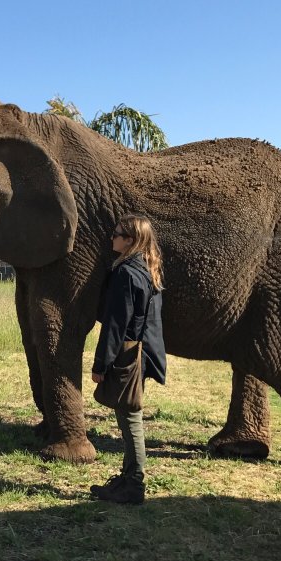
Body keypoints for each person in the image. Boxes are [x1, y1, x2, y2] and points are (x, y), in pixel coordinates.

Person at [89, 213, 167, 505]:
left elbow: (115, 324)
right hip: (142, 350)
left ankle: (133, 484)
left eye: (118, 234)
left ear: (131, 241)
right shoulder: (148, 268)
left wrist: (101, 364)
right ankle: (127, 478)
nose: (112, 237)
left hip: (127, 352)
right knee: (128, 416)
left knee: (130, 418)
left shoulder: (126, 273)